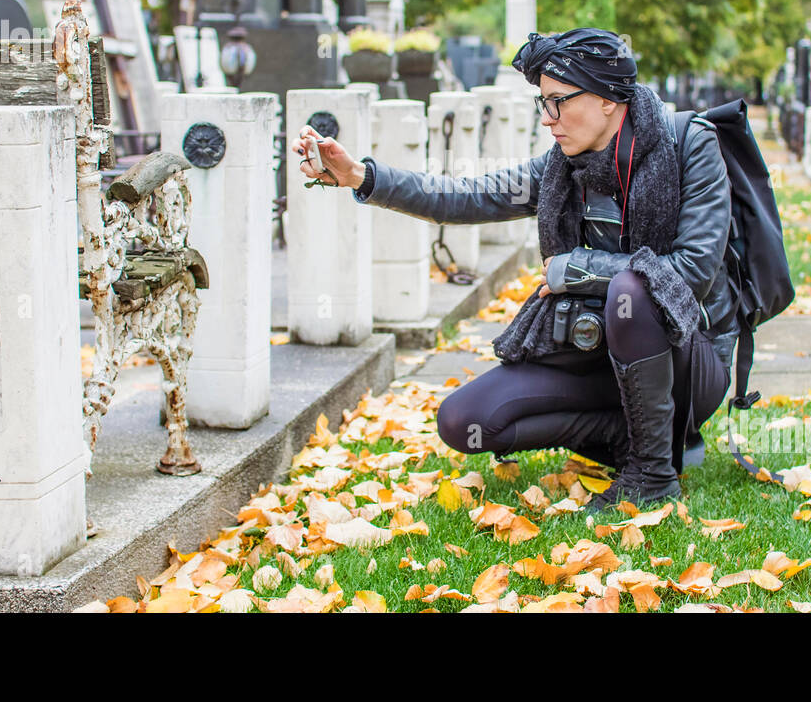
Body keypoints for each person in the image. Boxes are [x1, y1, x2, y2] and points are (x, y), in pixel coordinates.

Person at [292, 28, 738, 509]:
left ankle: (652, 476)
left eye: (557, 102)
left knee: (634, 289)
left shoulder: (689, 145)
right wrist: (362, 176)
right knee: (466, 421)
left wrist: (576, 267)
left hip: (690, 360)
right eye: (542, 104)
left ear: (608, 99)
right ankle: (642, 437)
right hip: (598, 353)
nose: (548, 120)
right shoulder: (561, 169)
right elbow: (465, 196)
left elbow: (691, 271)